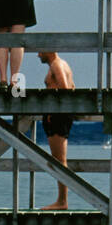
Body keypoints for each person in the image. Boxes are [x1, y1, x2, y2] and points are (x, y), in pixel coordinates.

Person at [38, 52, 76, 209]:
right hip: (57, 115)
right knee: (57, 160)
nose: (38, 55)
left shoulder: (57, 65)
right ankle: (61, 200)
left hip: (57, 116)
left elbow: (65, 89)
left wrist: (53, 112)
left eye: (40, 51)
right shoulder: (61, 64)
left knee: (59, 161)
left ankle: (62, 201)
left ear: (49, 50)